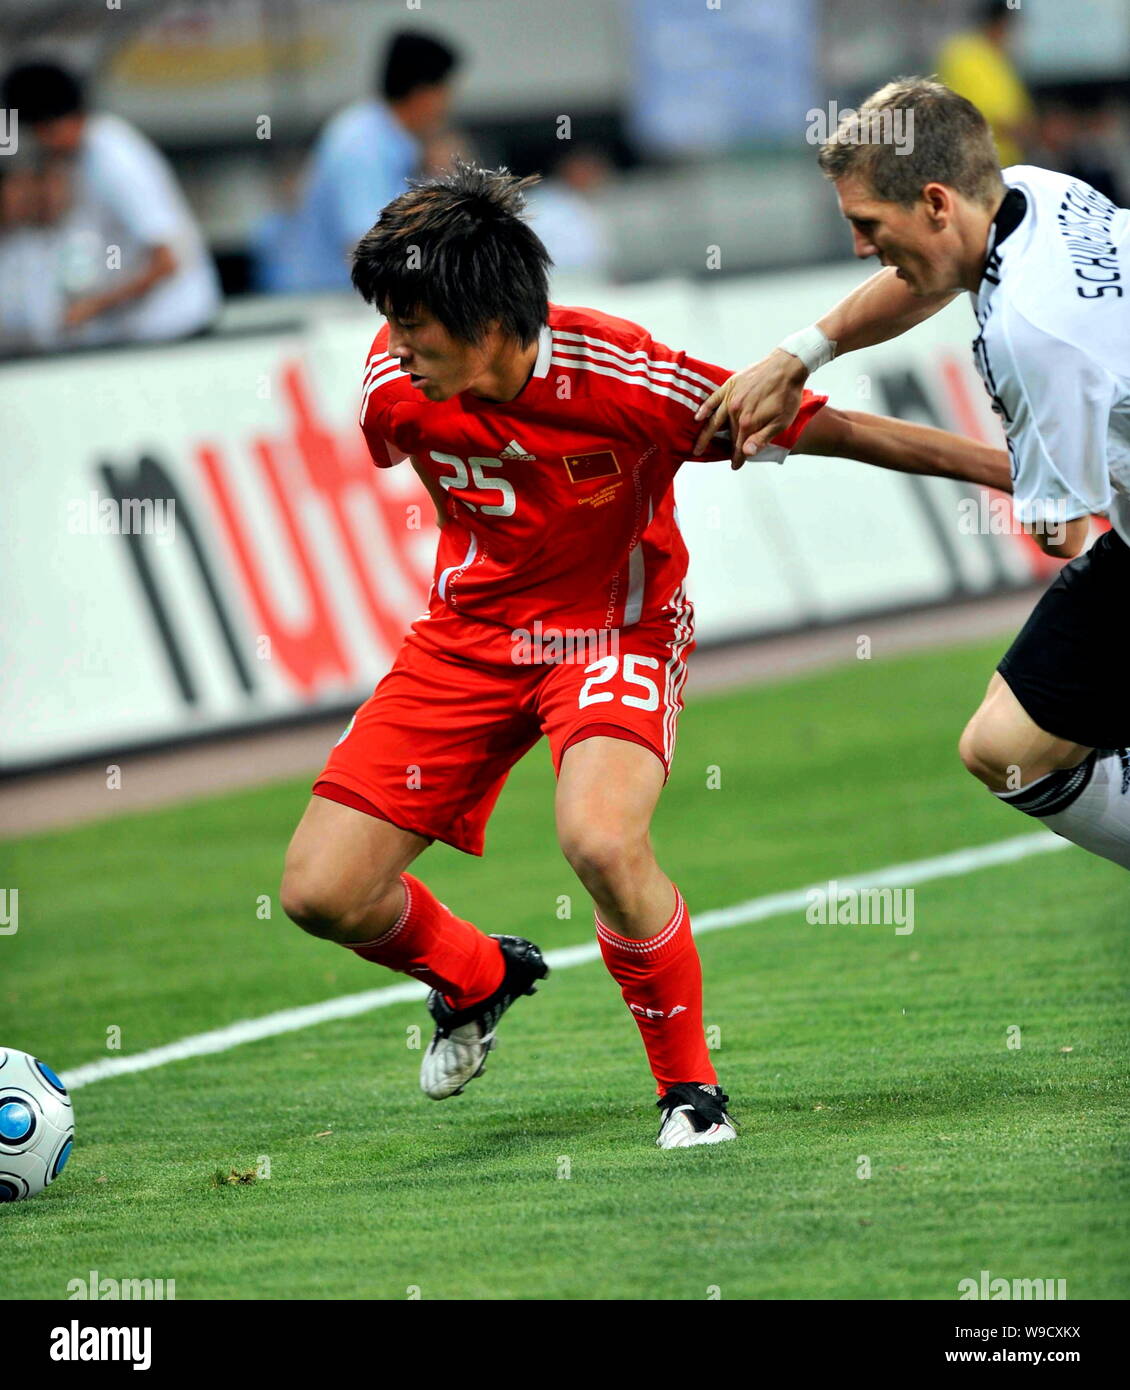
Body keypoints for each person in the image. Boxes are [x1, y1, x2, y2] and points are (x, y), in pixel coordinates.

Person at [279, 161, 1012, 1147]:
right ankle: (475, 976)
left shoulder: (620, 376)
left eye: (412, 322)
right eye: (390, 319)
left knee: (598, 838)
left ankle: (690, 1095)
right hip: (466, 639)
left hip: (611, 632)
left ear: (487, 320)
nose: (393, 343)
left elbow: (826, 427)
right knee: (320, 893)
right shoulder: (395, 390)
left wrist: (1015, 472)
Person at [694, 78, 1130, 873]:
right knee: (1008, 745)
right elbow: (921, 284)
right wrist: (802, 353)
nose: (863, 247)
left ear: (935, 203)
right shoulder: (1035, 192)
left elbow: (1061, 530)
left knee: (1016, 748)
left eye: (869, 225)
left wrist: (843, 435)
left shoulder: (1035, 333)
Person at [0, 61, 220, 345]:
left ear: (45, 127)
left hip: (173, 331)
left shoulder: (113, 158)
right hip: (143, 334)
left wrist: (93, 307)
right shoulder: (85, 156)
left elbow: (168, 260)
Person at [288, 30, 460, 292]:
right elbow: (368, 253)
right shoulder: (361, 145)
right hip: (334, 306)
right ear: (423, 94)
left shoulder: (390, 139)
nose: (448, 105)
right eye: (445, 92)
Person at [937, 0, 1034, 168]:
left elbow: (1018, 110)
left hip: (1003, 161)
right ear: (1000, 23)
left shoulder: (997, 56)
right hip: (976, 163)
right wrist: (1022, 131)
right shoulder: (964, 54)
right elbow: (983, 113)